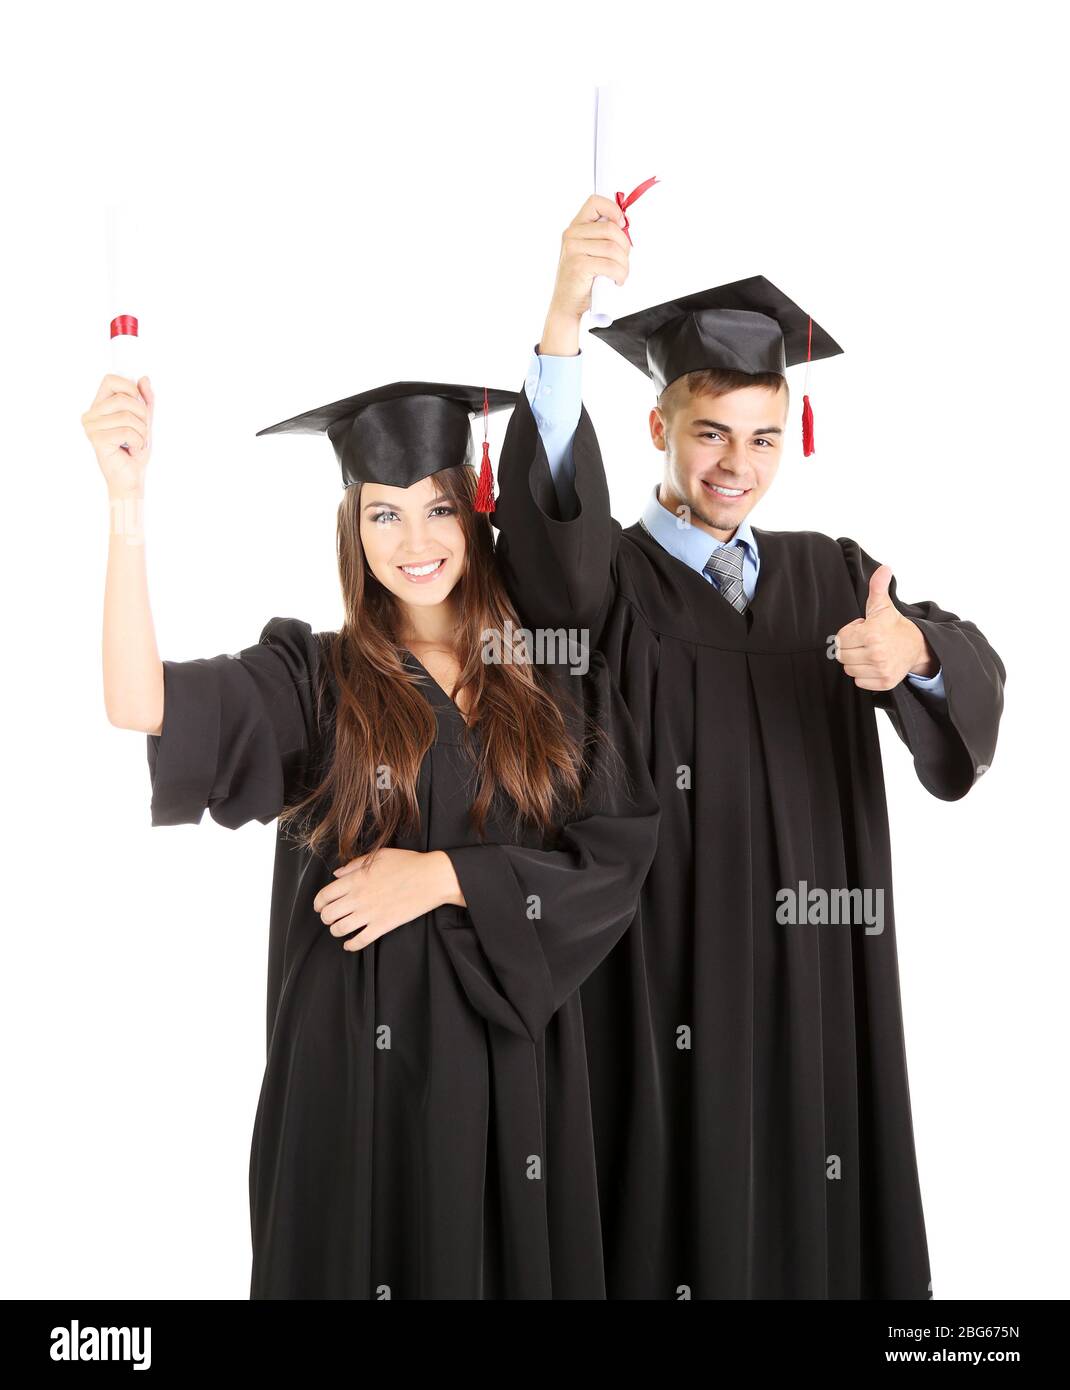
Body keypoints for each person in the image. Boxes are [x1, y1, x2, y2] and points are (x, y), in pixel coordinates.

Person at [488, 194, 1007, 1299]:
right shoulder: (613, 583)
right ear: (657, 430)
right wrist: (562, 320)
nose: (736, 464)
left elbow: (963, 678)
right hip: (654, 971)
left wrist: (910, 649)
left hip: (812, 974)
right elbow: (547, 563)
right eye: (709, 432)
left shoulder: (829, 577)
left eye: (762, 437)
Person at [83, 371, 660, 1299]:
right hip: (356, 1081)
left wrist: (443, 877)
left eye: (437, 509)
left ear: (476, 511)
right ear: (353, 531)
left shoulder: (553, 680)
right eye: (383, 516)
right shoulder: (315, 679)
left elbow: (615, 863)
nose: (416, 542)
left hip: (514, 1085)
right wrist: (125, 502)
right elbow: (136, 700)